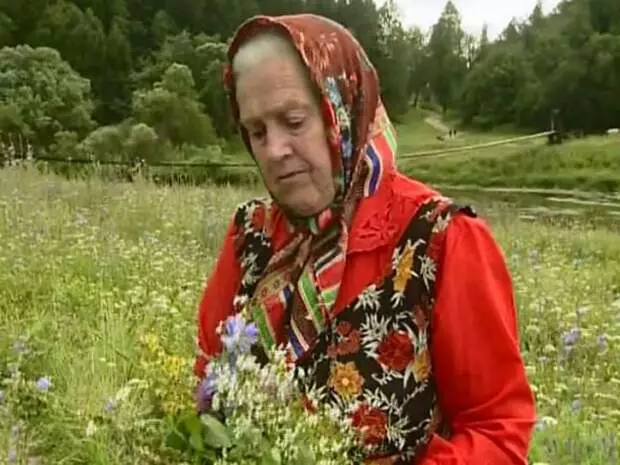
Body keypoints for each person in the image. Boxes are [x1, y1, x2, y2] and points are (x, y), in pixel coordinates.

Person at [193, 13, 536, 465]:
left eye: (294, 121)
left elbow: (498, 432)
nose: (275, 150)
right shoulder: (250, 237)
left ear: (343, 109)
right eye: (257, 132)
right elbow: (207, 389)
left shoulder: (440, 239)